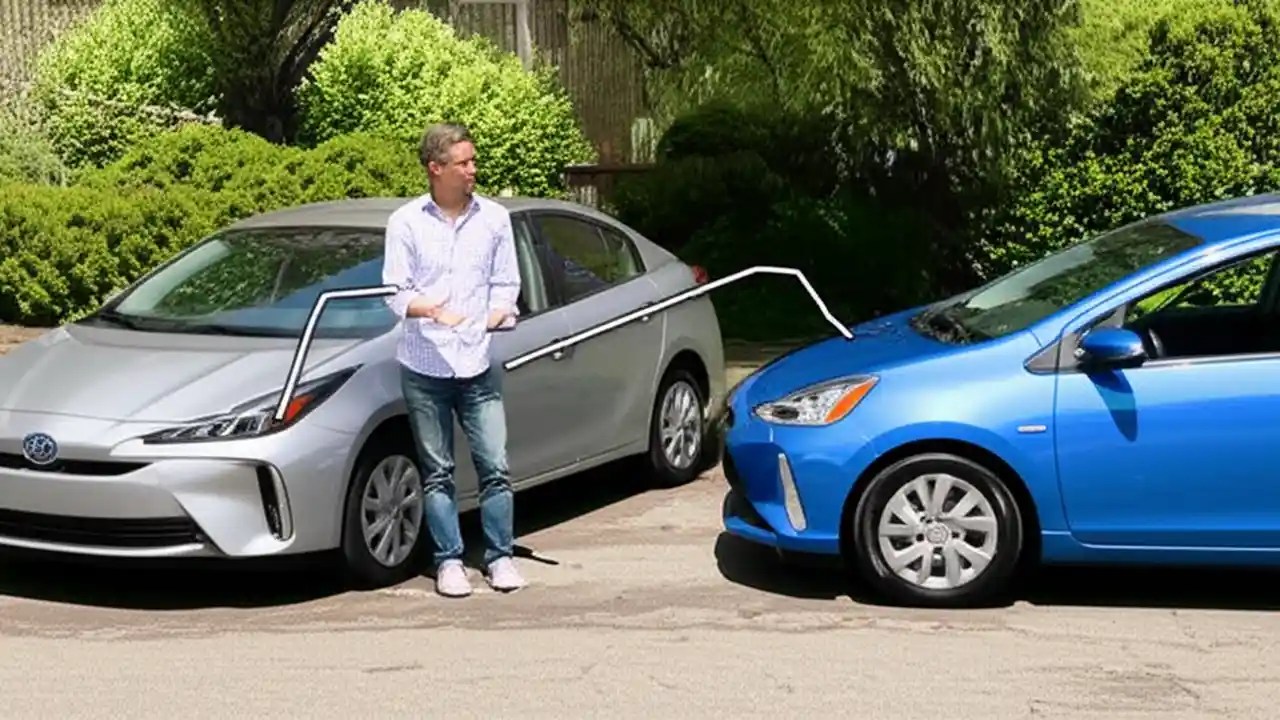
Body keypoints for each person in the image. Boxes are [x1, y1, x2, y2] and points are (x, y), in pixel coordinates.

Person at [381, 122, 524, 597]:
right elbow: (395, 294)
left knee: (495, 465)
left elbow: (507, 284)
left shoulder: (494, 219)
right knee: (437, 469)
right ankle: (449, 562)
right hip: (425, 364)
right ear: (435, 168)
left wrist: (497, 314)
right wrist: (434, 311)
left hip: (477, 363)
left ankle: (500, 557)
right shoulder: (406, 222)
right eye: (463, 163)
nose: (472, 170)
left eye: (473, 161)